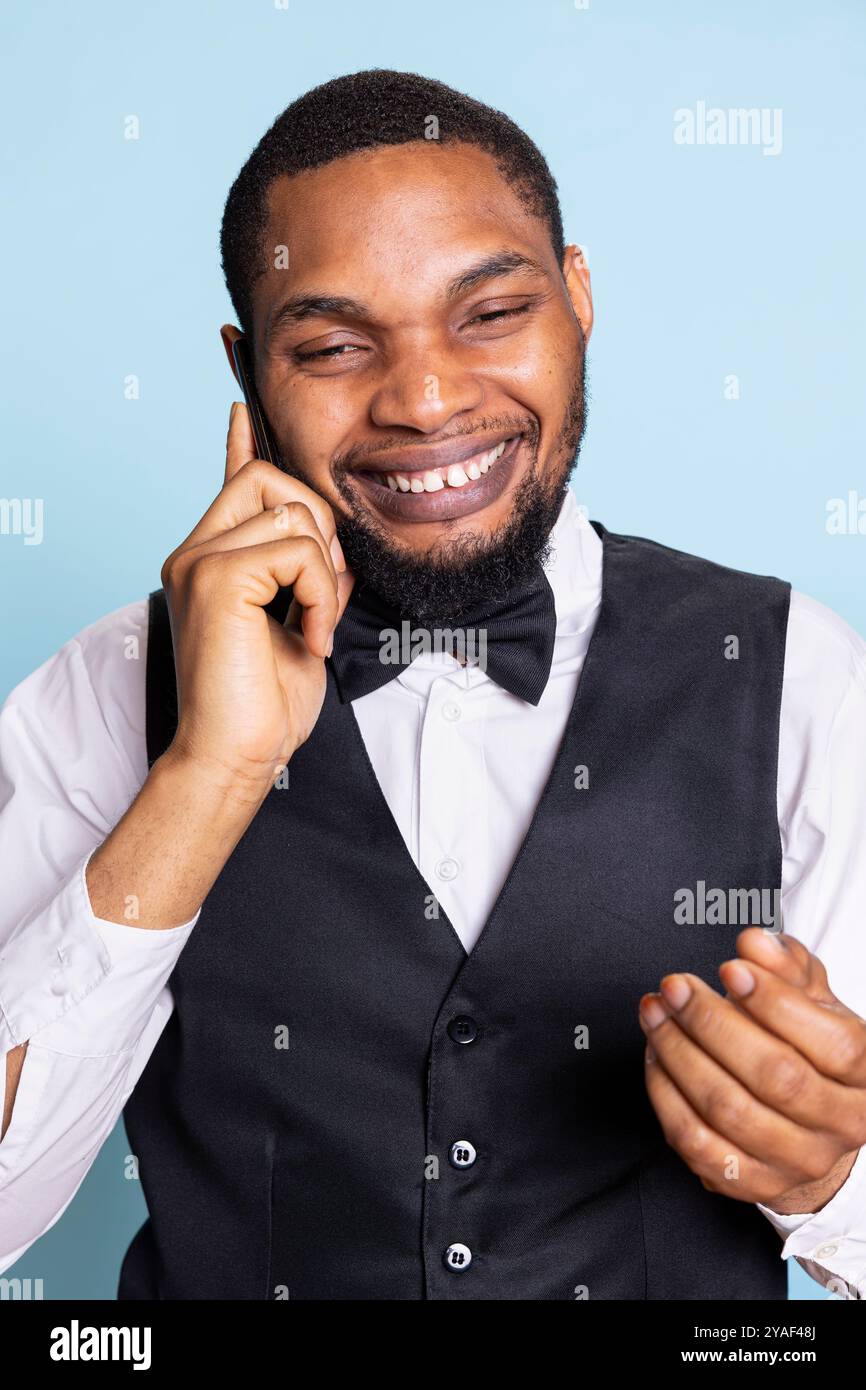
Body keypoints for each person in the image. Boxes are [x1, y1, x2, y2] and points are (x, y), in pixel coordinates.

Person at [2, 69, 865, 1301]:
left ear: (575, 296)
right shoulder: (112, 691)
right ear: (249, 371)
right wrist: (209, 772)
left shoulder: (794, 673)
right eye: (335, 345)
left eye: (488, 312)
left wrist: (828, 1173)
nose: (423, 399)